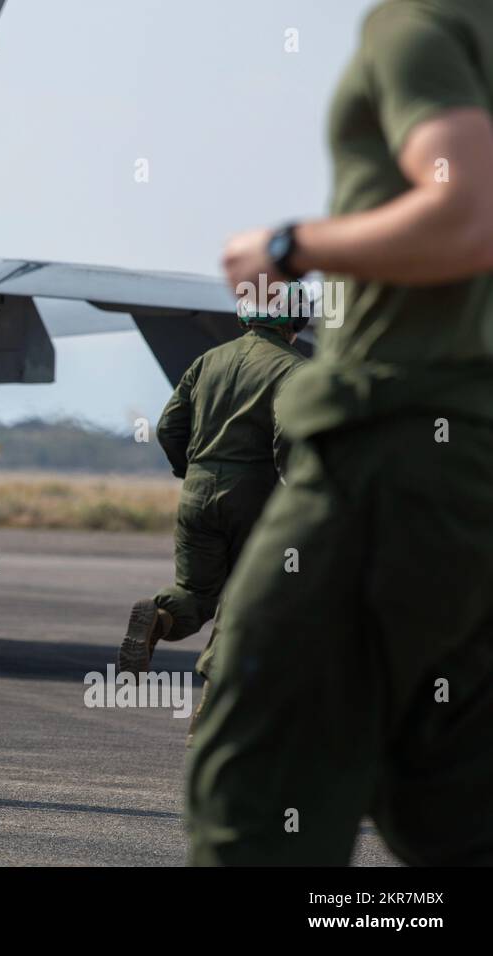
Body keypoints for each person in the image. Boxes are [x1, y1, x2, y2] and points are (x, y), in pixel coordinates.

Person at [188, 0, 493, 864]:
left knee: (251, 785)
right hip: (465, 469)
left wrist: (290, 245)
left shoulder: (420, 25)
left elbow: (466, 215)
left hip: (396, 448)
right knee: (454, 801)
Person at [119, 314, 304, 680]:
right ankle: (217, 686)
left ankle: (159, 617)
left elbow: (169, 427)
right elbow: (288, 435)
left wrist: (191, 472)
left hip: (197, 491)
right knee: (246, 596)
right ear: (296, 321)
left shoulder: (209, 360)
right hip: (253, 494)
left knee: (194, 593)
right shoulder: (293, 369)